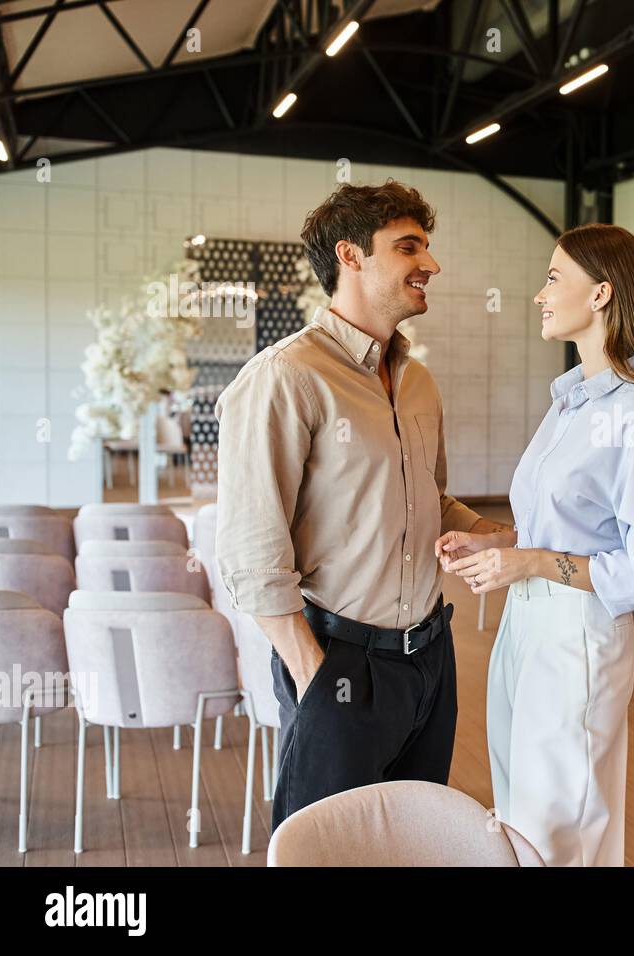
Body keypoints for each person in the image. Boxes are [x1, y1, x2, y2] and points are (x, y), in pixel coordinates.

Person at [216, 180, 511, 830]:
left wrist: (495, 535)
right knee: (327, 850)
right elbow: (249, 553)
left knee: (409, 840)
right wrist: (313, 674)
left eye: (427, 248)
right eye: (409, 247)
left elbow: (428, 499)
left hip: (432, 657)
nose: (429, 264)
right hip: (338, 663)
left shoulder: (418, 381)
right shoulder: (285, 377)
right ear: (350, 256)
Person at [436, 223, 634, 866]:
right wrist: (493, 544)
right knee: (518, 818)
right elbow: (562, 530)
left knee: (561, 829)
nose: (539, 294)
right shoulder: (568, 402)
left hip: (578, 634)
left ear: (601, 293)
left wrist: (530, 560)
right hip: (525, 623)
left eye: (553, 278)